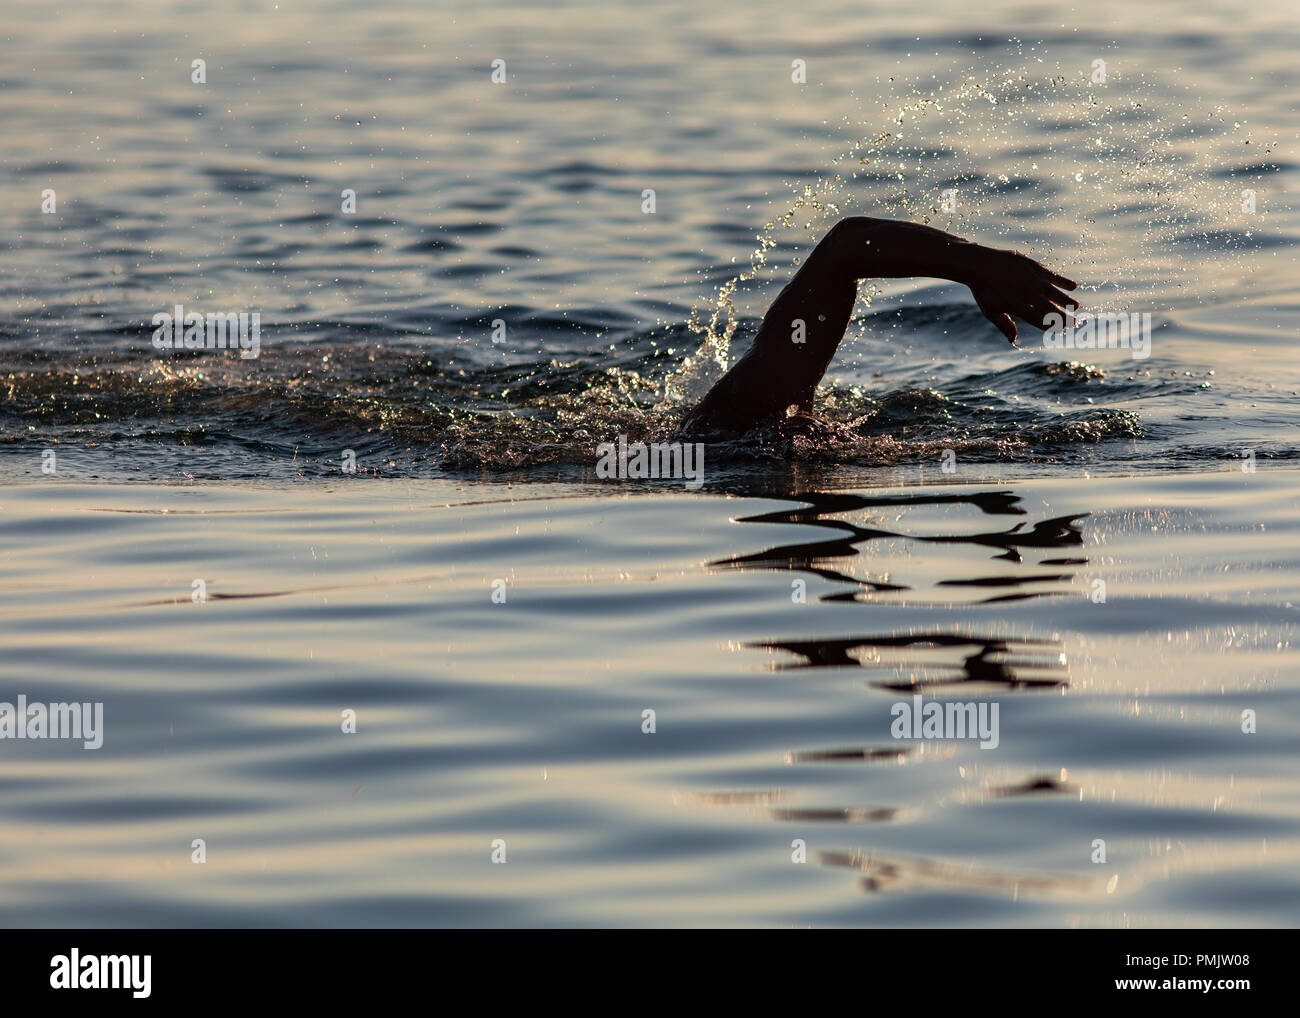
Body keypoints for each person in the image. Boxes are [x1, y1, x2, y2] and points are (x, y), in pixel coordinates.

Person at [681, 216, 1079, 434]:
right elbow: (845, 247)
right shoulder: (742, 416)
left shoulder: (736, 416)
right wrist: (976, 266)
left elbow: (846, 247)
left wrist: (977, 265)